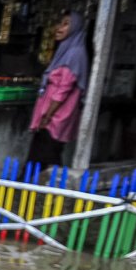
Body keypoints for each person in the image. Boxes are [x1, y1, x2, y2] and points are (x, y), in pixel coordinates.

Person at [26, 12, 89, 173]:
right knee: (41, 152)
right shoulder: (66, 50)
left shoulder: (75, 53)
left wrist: (47, 116)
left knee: (47, 153)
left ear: (75, 28)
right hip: (51, 113)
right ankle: (33, 185)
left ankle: (46, 187)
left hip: (57, 115)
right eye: (60, 23)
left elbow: (63, 89)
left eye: (66, 24)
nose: (59, 28)